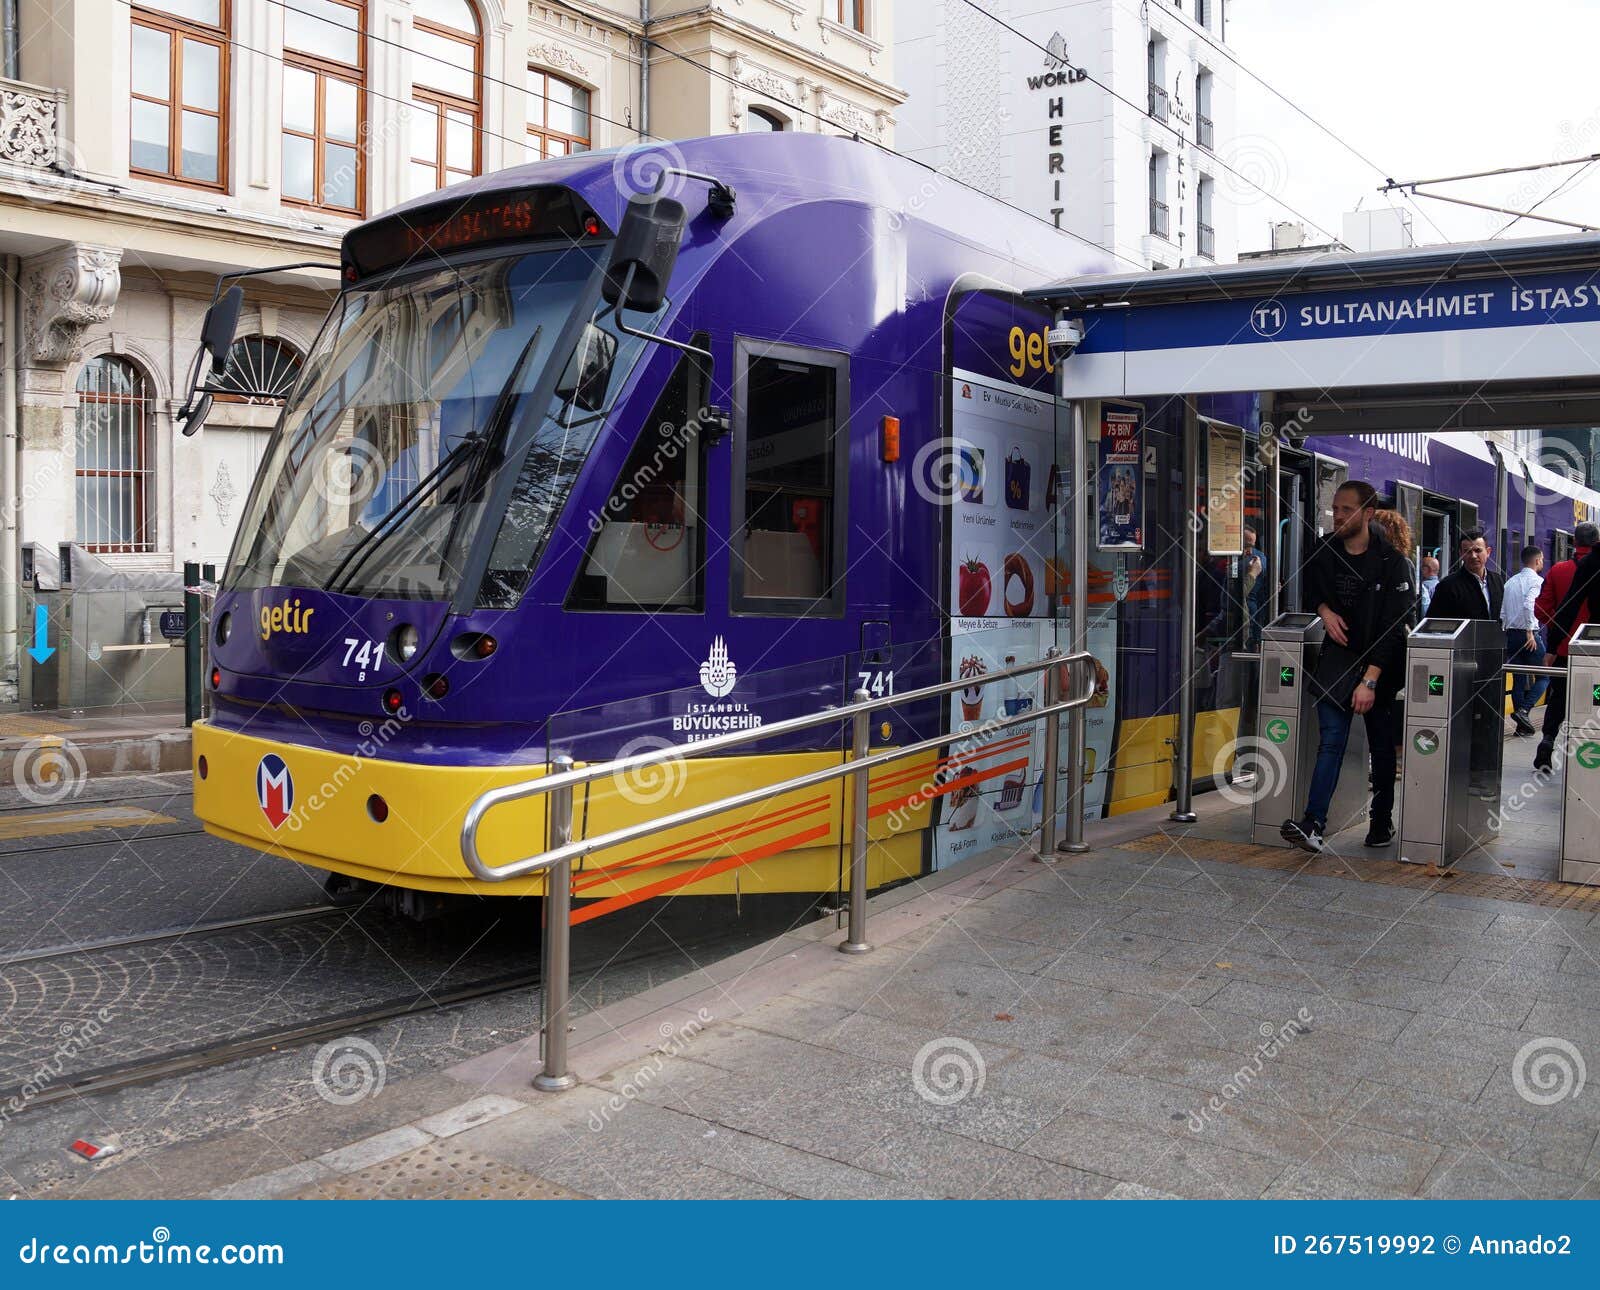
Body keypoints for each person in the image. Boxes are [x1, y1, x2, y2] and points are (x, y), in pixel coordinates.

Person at [1280, 480, 1413, 853]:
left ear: (1367, 514)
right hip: (1336, 661)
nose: (1337, 515)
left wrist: (1370, 680)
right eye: (1335, 508)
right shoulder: (1323, 550)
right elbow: (1311, 592)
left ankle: (1381, 820)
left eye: (1345, 509)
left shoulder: (1392, 563)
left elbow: (1394, 628)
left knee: (1382, 747)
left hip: (1380, 664)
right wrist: (1324, 611)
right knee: (1331, 743)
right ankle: (1314, 823)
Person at [1425, 529, 1504, 797]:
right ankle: (1463, 774)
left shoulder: (1498, 581)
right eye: (1467, 551)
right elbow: (1434, 626)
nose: (1473, 556)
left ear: (1488, 553)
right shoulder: (1448, 586)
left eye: (1478, 550)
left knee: (1490, 721)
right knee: (1465, 722)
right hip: (1462, 668)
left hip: (1492, 666)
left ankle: (1484, 776)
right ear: (1460, 554)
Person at [1533, 522, 1598, 772]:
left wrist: (1556, 628)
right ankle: (1585, 754)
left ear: (1574, 542)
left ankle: (1547, 744)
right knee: (1592, 701)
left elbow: (1540, 608)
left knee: (1559, 699)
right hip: (1594, 652)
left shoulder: (1559, 570)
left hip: (1563, 650)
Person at [1372, 509, 1418, 773]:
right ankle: (1388, 760)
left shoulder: (1400, 563)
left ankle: (1388, 761)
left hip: (1390, 649)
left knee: (1383, 705)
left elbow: (1405, 609)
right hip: (1391, 646)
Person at [1501, 544, 1548, 736]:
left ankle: (1522, 727)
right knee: (1545, 675)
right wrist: (1529, 630)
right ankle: (1524, 710)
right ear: (1537, 561)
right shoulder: (1537, 581)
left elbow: (1502, 611)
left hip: (1511, 634)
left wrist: (1505, 631)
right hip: (1529, 635)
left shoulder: (1510, 582)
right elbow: (1530, 604)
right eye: (1542, 560)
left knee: (1519, 680)